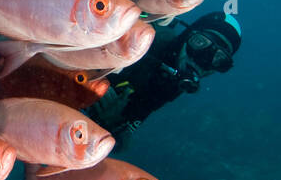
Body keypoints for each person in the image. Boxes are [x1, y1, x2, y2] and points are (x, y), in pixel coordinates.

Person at [88, 11, 242, 144]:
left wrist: (116, 129)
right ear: (187, 36)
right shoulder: (149, 40)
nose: (202, 59)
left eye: (218, 59)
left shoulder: (176, 81)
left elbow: (128, 125)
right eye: (200, 43)